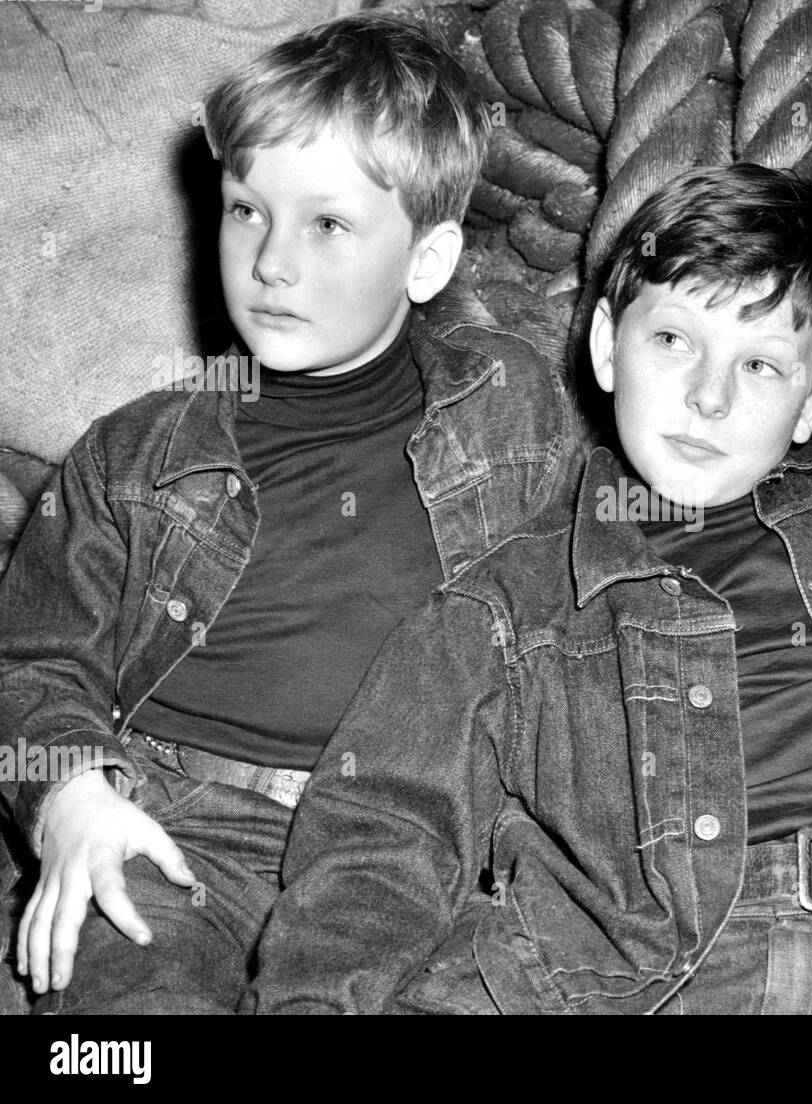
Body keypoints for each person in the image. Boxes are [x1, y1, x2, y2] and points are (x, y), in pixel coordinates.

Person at [248, 162, 812, 1015]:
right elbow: (383, 839)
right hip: (606, 979)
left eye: (760, 365)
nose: (708, 398)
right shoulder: (501, 606)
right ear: (606, 345)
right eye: (672, 340)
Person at [0, 9, 580, 1014]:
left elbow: (597, 606)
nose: (271, 261)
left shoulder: (511, 412)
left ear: (428, 261)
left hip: (424, 852)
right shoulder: (133, 453)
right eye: (246, 210)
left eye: (327, 224)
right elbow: (30, 660)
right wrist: (72, 797)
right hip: (171, 828)